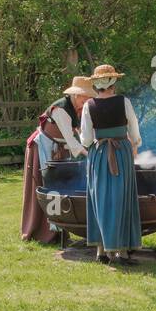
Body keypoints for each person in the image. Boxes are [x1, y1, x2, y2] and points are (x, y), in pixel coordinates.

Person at [80, 64, 142, 265]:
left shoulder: (89, 106)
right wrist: (135, 143)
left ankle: (102, 251)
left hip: (99, 155)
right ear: (113, 82)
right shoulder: (124, 102)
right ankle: (121, 252)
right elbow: (133, 127)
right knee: (121, 197)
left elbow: (86, 139)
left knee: (101, 198)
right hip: (121, 152)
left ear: (97, 84)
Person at [21, 75, 93, 243]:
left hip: (58, 151)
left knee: (60, 188)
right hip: (42, 150)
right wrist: (92, 155)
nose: (87, 100)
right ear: (76, 95)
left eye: (89, 97)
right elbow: (73, 143)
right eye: (85, 96)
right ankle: (39, 232)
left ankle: (59, 232)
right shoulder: (61, 110)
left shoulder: (76, 109)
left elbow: (80, 135)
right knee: (44, 188)